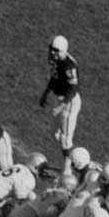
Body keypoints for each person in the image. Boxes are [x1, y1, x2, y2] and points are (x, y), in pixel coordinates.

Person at [39, 35, 81, 171]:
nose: (52, 52)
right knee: (54, 134)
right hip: (60, 100)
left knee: (65, 138)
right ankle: (73, 156)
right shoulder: (56, 60)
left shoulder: (69, 66)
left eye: (55, 50)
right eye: (51, 49)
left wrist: (61, 106)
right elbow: (54, 78)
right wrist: (46, 93)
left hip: (69, 102)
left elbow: (73, 89)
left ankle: (68, 169)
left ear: (63, 50)